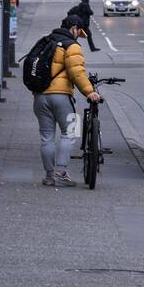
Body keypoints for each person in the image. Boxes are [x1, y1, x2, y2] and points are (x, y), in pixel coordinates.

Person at [34, 15, 100, 187]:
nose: (79, 36)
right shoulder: (72, 45)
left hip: (40, 97)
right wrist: (89, 92)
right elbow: (77, 72)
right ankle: (61, 173)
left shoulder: (46, 41)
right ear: (74, 28)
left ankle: (49, 176)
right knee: (71, 131)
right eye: (79, 32)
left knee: (46, 137)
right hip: (61, 97)